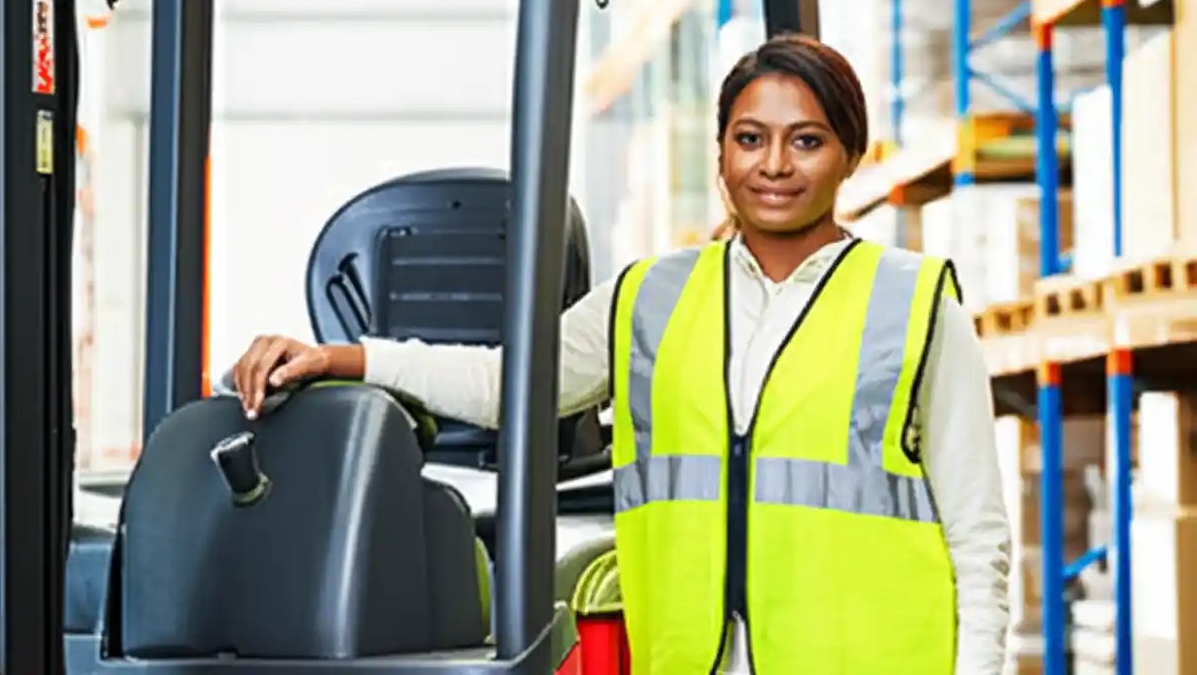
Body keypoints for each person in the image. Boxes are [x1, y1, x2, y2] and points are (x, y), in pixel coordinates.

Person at [229, 34, 1011, 675]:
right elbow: (508, 385)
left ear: (849, 155)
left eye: (806, 141)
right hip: (693, 660)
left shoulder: (914, 306)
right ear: (721, 153)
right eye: (750, 139)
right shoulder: (650, 297)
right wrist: (344, 359)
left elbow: (980, 539)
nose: (774, 165)